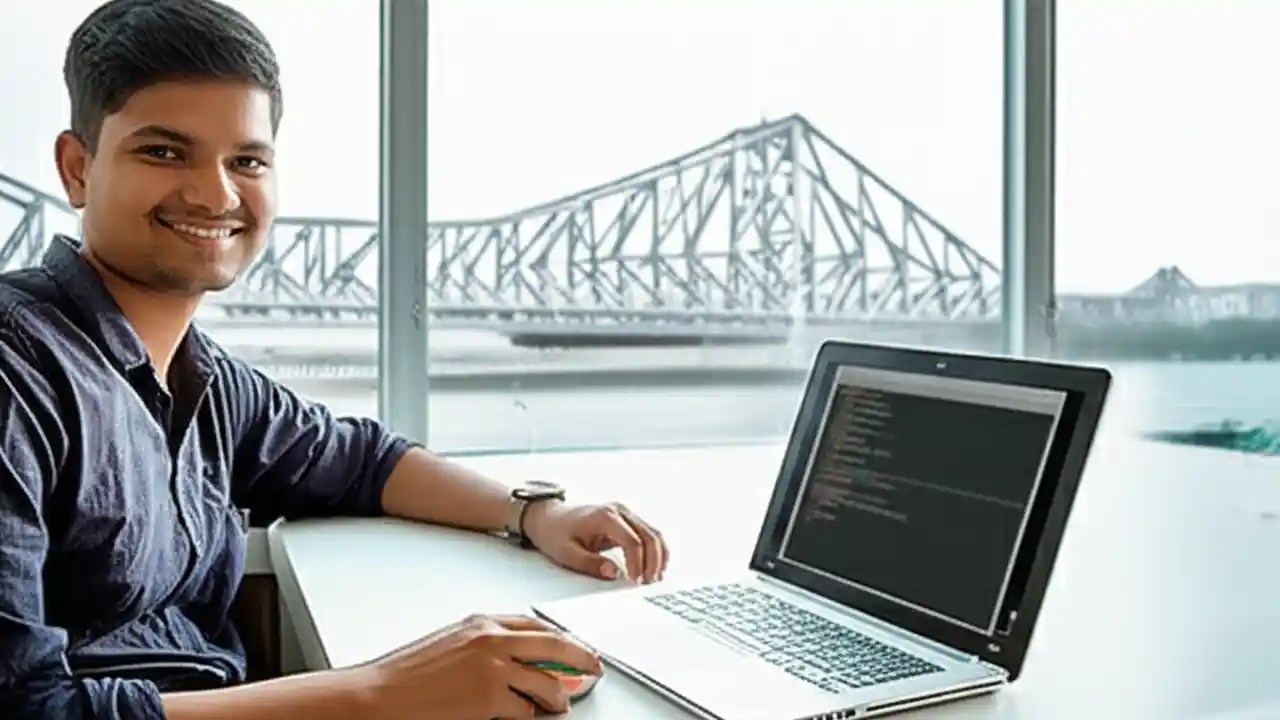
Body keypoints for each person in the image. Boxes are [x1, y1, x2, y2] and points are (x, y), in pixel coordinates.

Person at [0, 1, 669, 718]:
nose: (216, 192)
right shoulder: (19, 373)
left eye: (247, 160)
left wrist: (535, 514)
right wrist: (384, 691)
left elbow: (359, 461)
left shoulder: (207, 382)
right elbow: (27, 710)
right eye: (164, 152)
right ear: (77, 169)